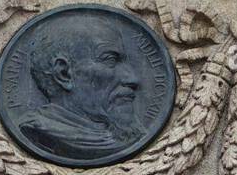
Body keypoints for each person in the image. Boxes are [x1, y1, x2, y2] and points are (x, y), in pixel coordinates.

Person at [16, 14, 142, 162]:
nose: (133, 79)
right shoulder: (36, 131)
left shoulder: (127, 136)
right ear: (64, 73)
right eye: (110, 60)